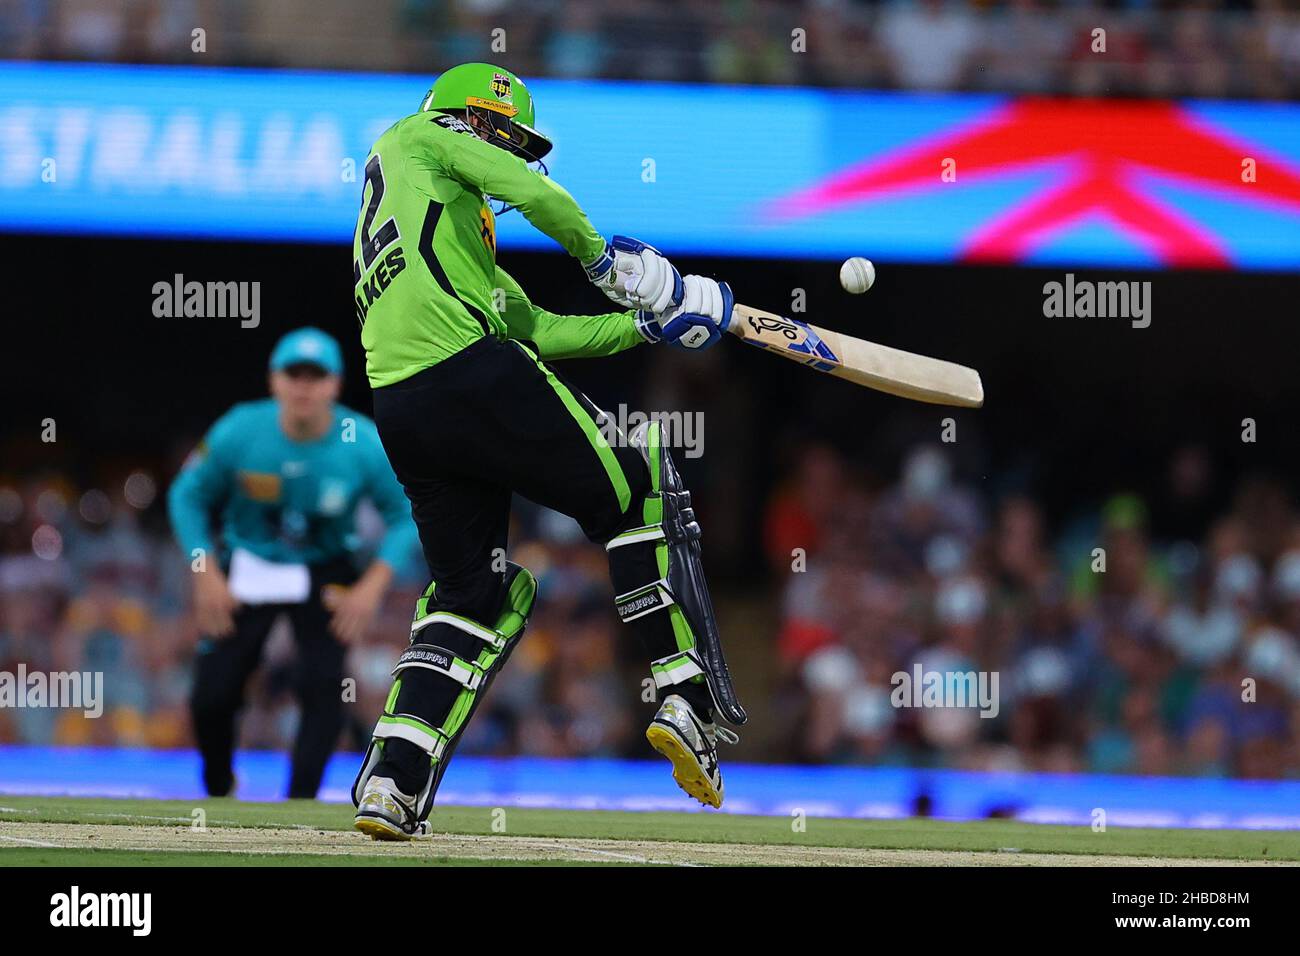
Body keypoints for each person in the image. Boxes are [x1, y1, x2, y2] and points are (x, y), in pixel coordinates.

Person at [350, 62, 746, 839]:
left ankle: (391, 786)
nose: (511, 155)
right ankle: (686, 693)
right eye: (502, 133)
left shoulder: (446, 230)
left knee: (475, 596)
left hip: (405, 406)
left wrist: (653, 322)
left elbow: (545, 331)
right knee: (638, 478)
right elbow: (539, 196)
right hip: (467, 369)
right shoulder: (420, 134)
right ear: (464, 119)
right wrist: (606, 264)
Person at [168, 327, 418, 799]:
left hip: (326, 571)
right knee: (212, 693)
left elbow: (404, 512)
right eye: (294, 374)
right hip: (247, 566)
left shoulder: (360, 442)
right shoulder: (240, 429)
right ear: (274, 381)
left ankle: (299, 804)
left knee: (324, 686)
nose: (304, 386)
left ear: (335, 384)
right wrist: (203, 569)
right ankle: (218, 787)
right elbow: (187, 494)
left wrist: (372, 585)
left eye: (316, 375)